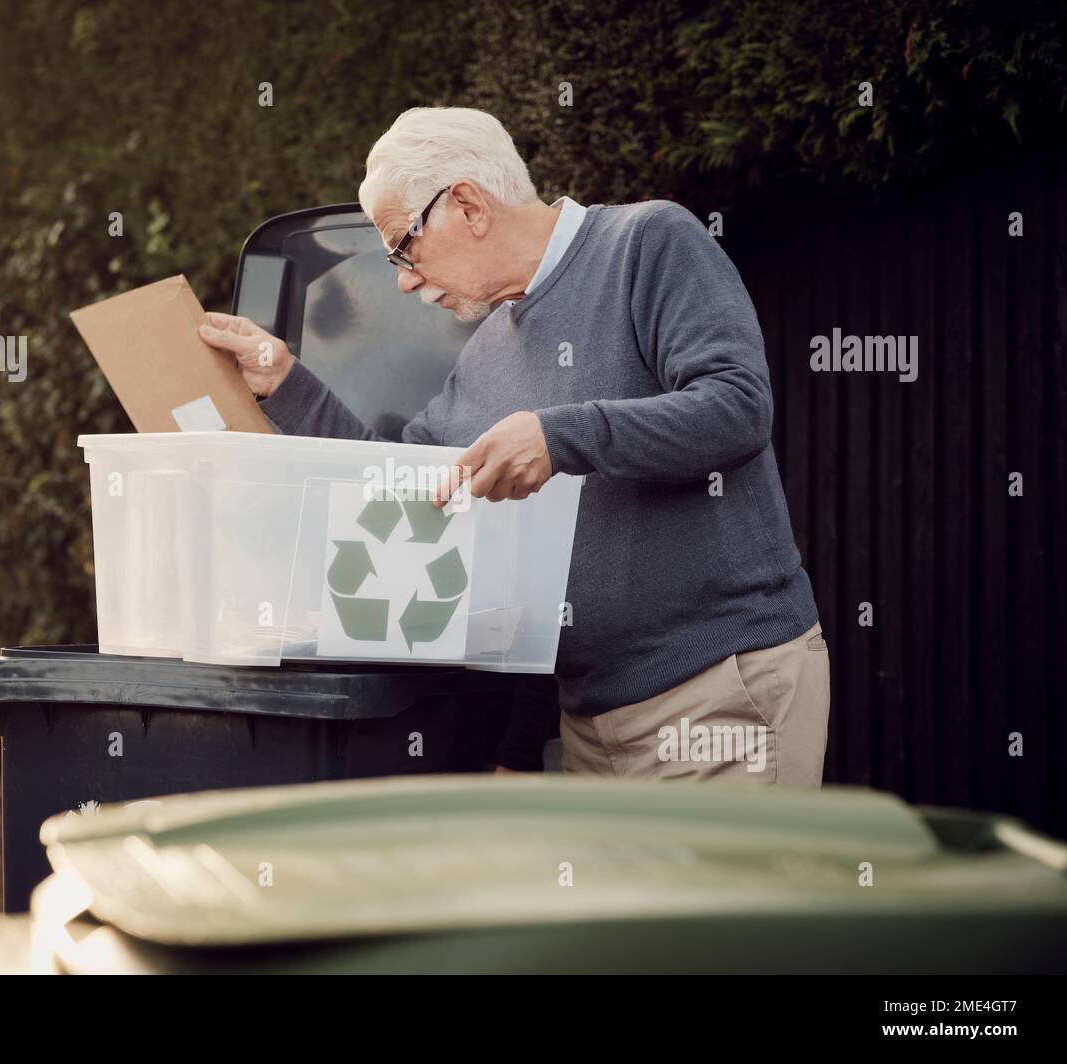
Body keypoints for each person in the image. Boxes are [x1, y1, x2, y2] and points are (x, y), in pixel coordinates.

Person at [199, 106, 829, 785]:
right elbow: (402, 482)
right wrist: (285, 380)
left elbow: (737, 409)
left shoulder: (649, 242)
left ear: (467, 204)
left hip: (715, 696)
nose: (405, 280)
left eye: (403, 247)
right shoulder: (489, 351)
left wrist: (560, 435)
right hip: (588, 728)